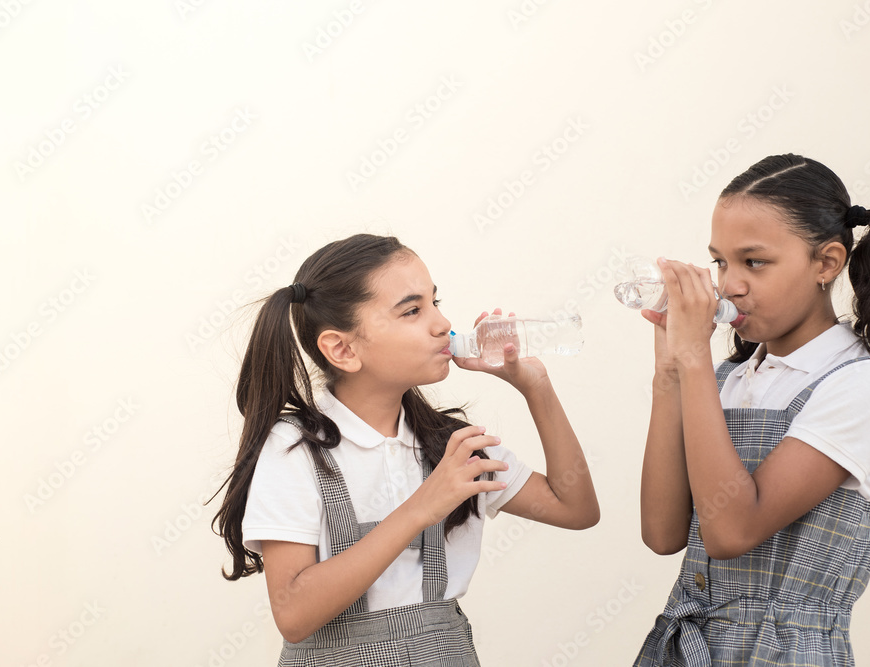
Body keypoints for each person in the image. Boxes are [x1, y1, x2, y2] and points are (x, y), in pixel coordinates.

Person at [212, 233, 599, 666]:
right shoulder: (294, 448)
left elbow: (576, 509)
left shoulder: (450, 445)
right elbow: (294, 616)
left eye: (436, 301)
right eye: (413, 311)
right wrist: (421, 507)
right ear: (342, 349)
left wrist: (536, 387)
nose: (442, 323)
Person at [634, 154, 870, 666]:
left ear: (826, 263)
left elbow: (731, 531)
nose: (729, 285)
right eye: (720, 262)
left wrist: (694, 359)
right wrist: (671, 374)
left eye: (754, 262)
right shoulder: (723, 379)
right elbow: (662, 533)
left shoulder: (859, 385)